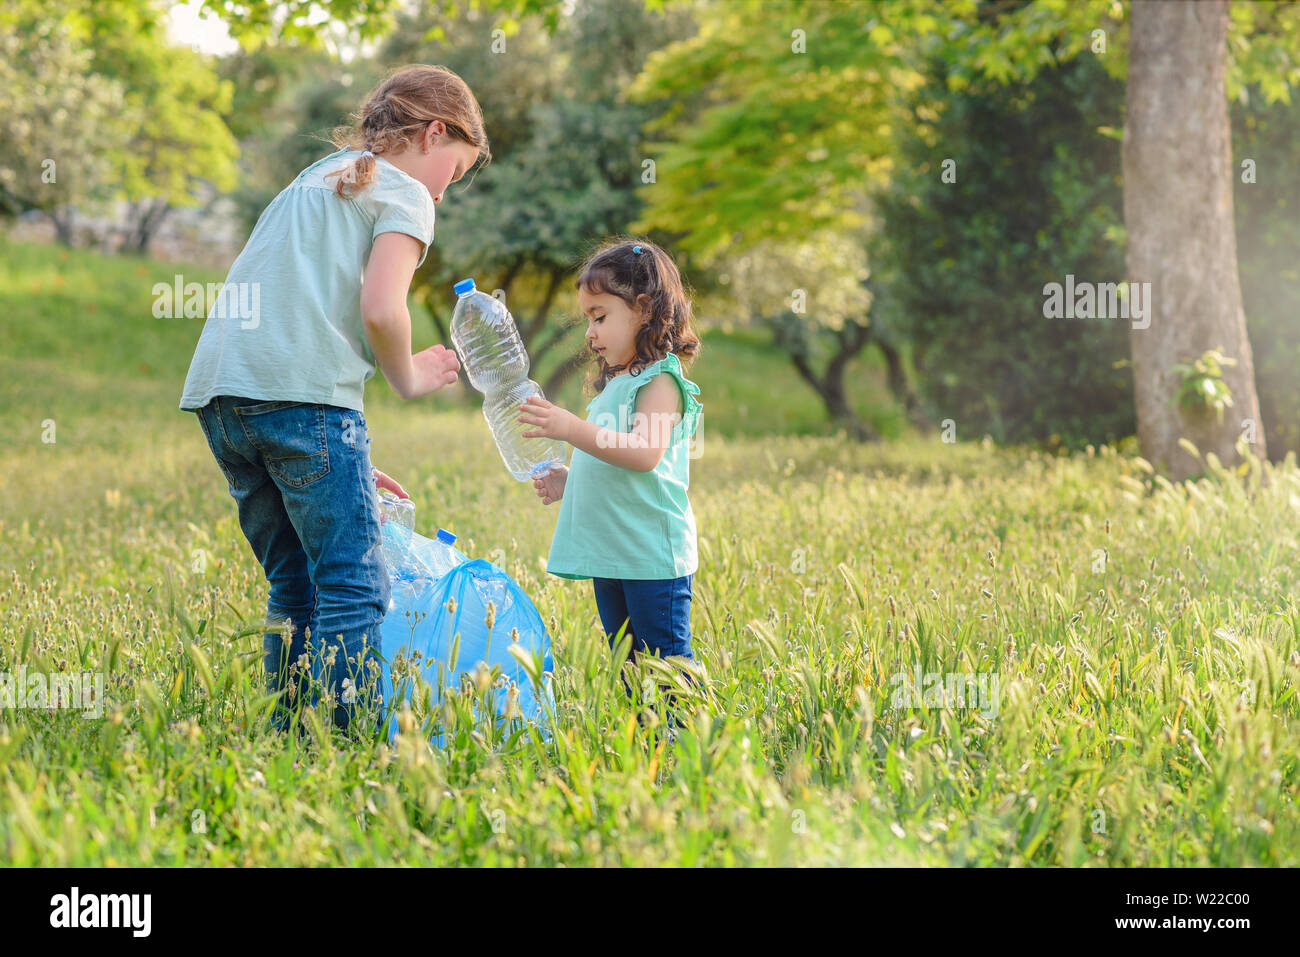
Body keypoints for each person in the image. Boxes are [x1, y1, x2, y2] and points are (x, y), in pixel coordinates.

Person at [179, 65, 487, 733]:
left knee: (294, 584)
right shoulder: (407, 193)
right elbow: (381, 309)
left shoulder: (315, 178)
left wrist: (344, 459)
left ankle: (288, 733)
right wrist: (408, 377)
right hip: (304, 403)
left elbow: (297, 312)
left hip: (225, 400)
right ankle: (348, 744)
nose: (445, 189)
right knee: (354, 584)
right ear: (434, 133)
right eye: (455, 170)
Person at [518, 238, 703, 732]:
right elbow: (612, 456)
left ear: (644, 309)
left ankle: (692, 748)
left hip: (651, 554)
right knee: (629, 666)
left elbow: (643, 454)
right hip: (614, 555)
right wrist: (572, 479)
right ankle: (653, 748)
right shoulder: (617, 384)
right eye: (588, 319)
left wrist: (570, 428)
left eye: (600, 316)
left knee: (665, 664)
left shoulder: (661, 381)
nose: (591, 332)